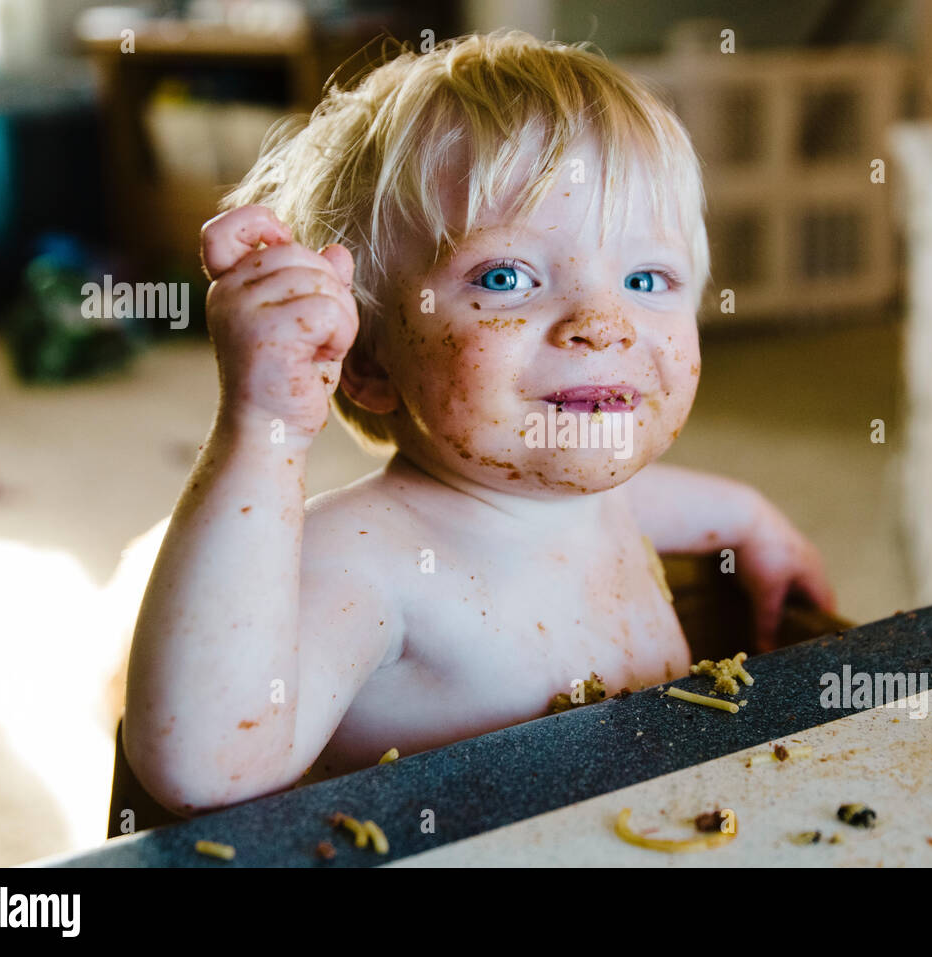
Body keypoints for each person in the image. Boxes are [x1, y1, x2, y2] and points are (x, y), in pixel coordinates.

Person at [124, 30, 834, 817]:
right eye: (505, 277)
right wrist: (265, 431)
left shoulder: (586, 496)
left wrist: (757, 523)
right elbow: (208, 764)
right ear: (366, 358)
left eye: (645, 277)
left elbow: (683, 505)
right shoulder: (368, 561)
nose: (604, 321)